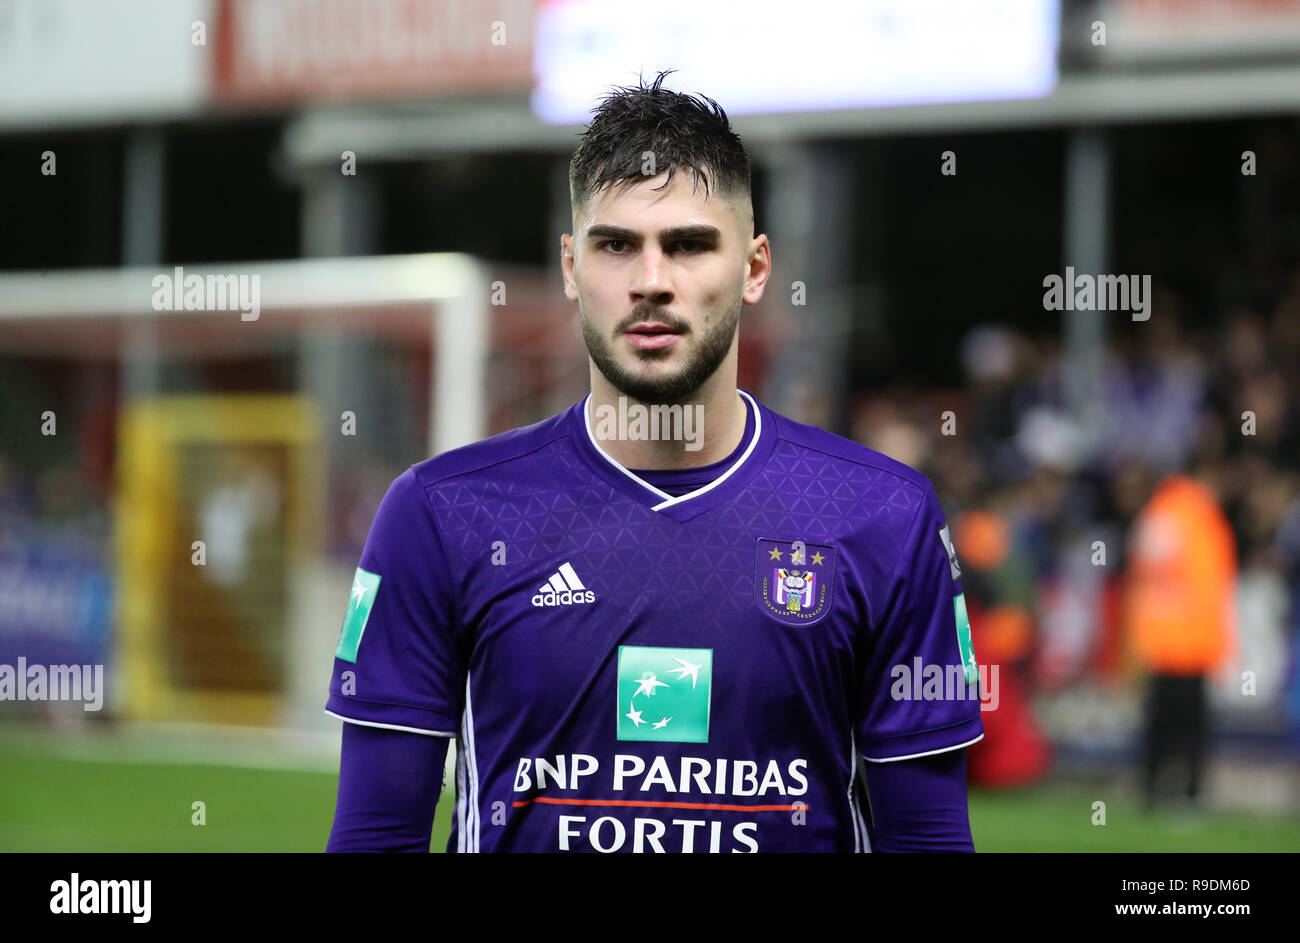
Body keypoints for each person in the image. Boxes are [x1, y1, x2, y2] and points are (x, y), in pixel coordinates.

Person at [326, 71, 982, 852]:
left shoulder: (884, 517)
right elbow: (374, 835)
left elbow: (930, 837)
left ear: (755, 268)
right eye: (616, 245)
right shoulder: (441, 513)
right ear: (571, 266)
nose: (651, 281)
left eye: (690, 244)